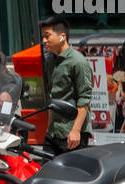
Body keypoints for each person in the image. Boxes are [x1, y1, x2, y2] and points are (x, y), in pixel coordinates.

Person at [39, 15, 92, 153]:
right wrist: (48, 128)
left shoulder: (78, 62)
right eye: (42, 37)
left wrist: (76, 131)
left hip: (72, 134)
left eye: (47, 36)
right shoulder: (49, 61)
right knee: (44, 172)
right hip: (53, 133)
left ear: (62, 36)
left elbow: (84, 99)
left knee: (72, 174)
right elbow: (52, 96)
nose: (44, 41)